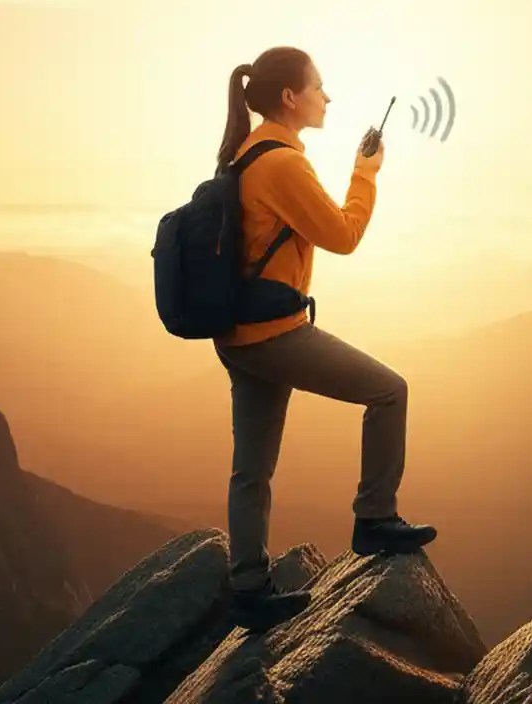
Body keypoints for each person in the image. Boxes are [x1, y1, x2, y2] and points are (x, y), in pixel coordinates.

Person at [213, 46, 436, 631]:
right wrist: (365, 175)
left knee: (251, 468)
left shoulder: (247, 151)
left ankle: (248, 587)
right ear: (290, 97)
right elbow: (342, 234)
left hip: (237, 335)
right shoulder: (282, 164)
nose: (327, 96)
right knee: (389, 392)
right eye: (319, 86)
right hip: (273, 335)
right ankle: (374, 519)